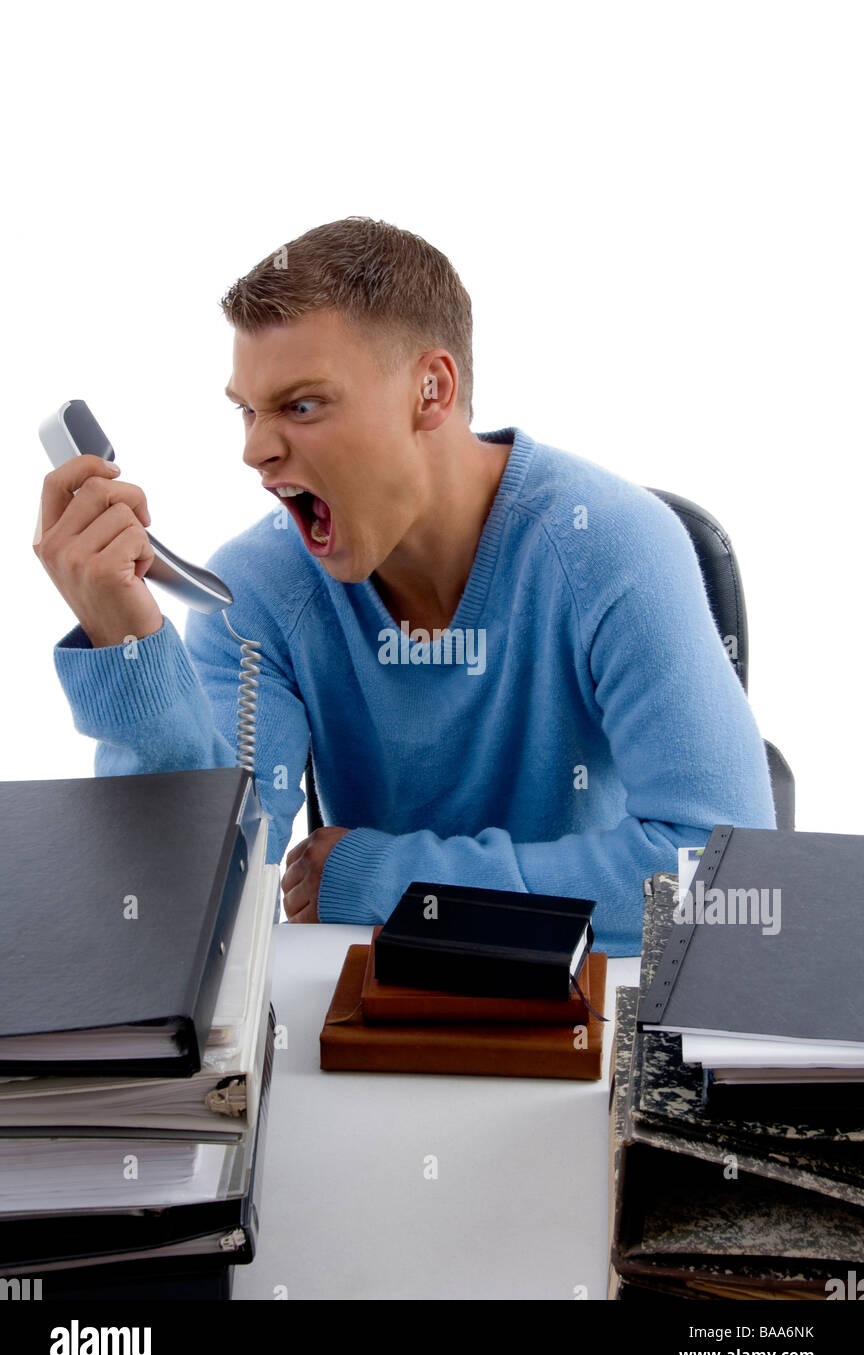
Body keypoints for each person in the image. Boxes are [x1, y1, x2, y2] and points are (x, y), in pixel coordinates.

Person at [34, 216, 776, 953]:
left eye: (302, 405)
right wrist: (127, 647)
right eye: (247, 411)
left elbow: (715, 880)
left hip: (585, 1011)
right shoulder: (255, 592)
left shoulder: (613, 546)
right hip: (368, 1021)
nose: (256, 450)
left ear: (432, 390)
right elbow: (196, 915)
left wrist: (385, 880)